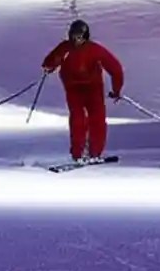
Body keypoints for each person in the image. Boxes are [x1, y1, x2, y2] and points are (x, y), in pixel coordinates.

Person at [42, 19, 125, 164]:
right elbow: (51, 60)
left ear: (85, 37)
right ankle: (78, 154)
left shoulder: (95, 49)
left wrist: (116, 90)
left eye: (80, 37)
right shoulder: (65, 48)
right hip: (73, 88)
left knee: (97, 119)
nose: (77, 40)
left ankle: (95, 152)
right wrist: (49, 66)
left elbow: (115, 68)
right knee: (78, 119)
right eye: (74, 36)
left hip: (93, 88)